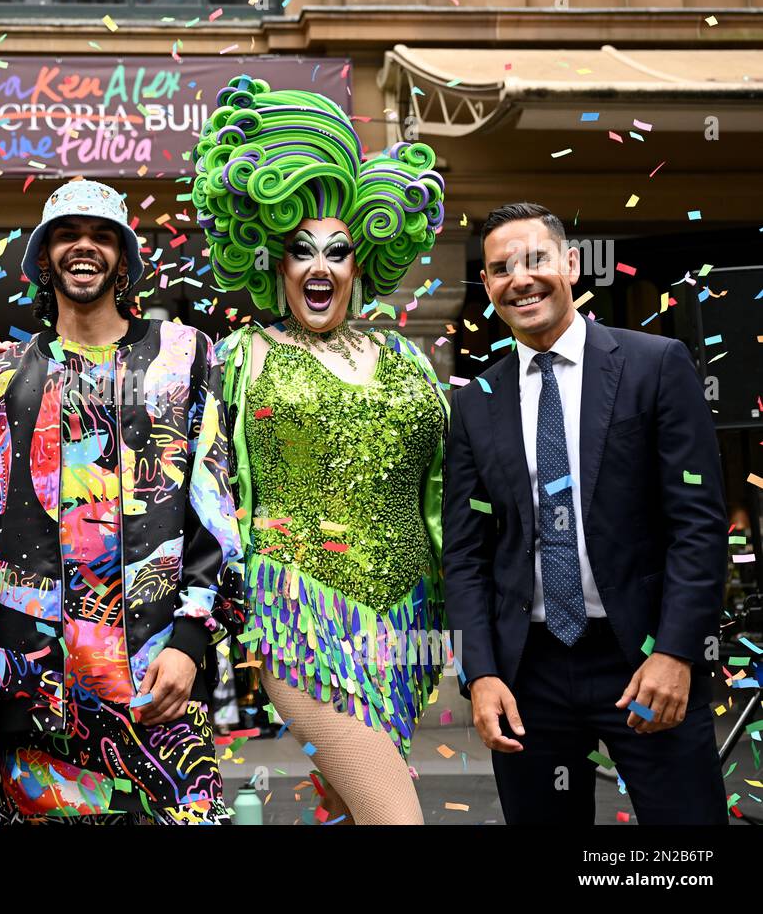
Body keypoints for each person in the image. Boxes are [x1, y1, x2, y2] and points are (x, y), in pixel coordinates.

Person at [195, 75, 449, 824]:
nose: (319, 266)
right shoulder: (242, 355)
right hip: (303, 618)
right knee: (396, 817)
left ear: (360, 263)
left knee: (351, 809)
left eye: (337, 252)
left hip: (407, 623)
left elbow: (450, 482)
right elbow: (206, 489)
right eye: (301, 250)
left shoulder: (406, 359)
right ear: (274, 262)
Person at [0, 178, 245, 824]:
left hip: (159, 682)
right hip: (38, 694)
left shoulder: (184, 356)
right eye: (67, 234)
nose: (83, 247)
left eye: (101, 236)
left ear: (124, 257)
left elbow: (215, 509)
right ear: (43, 256)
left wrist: (192, 642)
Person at [443, 202, 729, 824]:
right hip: (528, 674)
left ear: (571, 264)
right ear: (488, 288)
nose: (520, 279)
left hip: (645, 658)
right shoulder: (475, 403)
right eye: (499, 270)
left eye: (535, 259)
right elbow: (465, 554)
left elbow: (698, 524)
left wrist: (677, 652)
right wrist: (481, 674)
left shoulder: (655, 365)